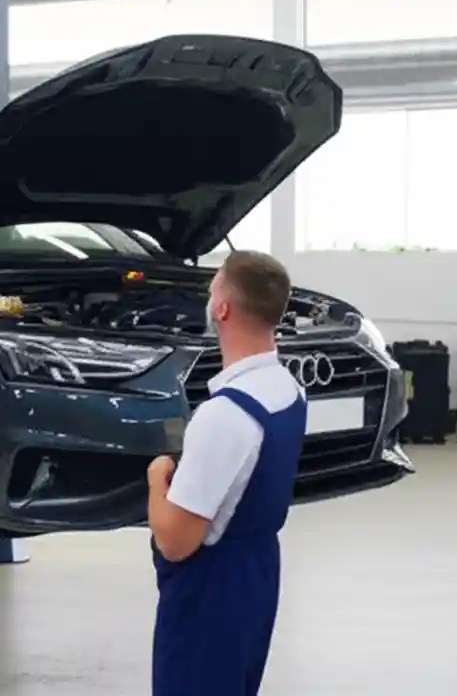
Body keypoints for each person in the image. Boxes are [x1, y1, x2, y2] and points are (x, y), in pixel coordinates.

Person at [146, 250, 307, 696]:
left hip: (212, 591)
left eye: (213, 286)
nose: (209, 294)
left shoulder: (225, 415)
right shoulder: (289, 389)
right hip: (258, 570)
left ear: (223, 308)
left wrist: (157, 477)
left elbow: (176, 541)